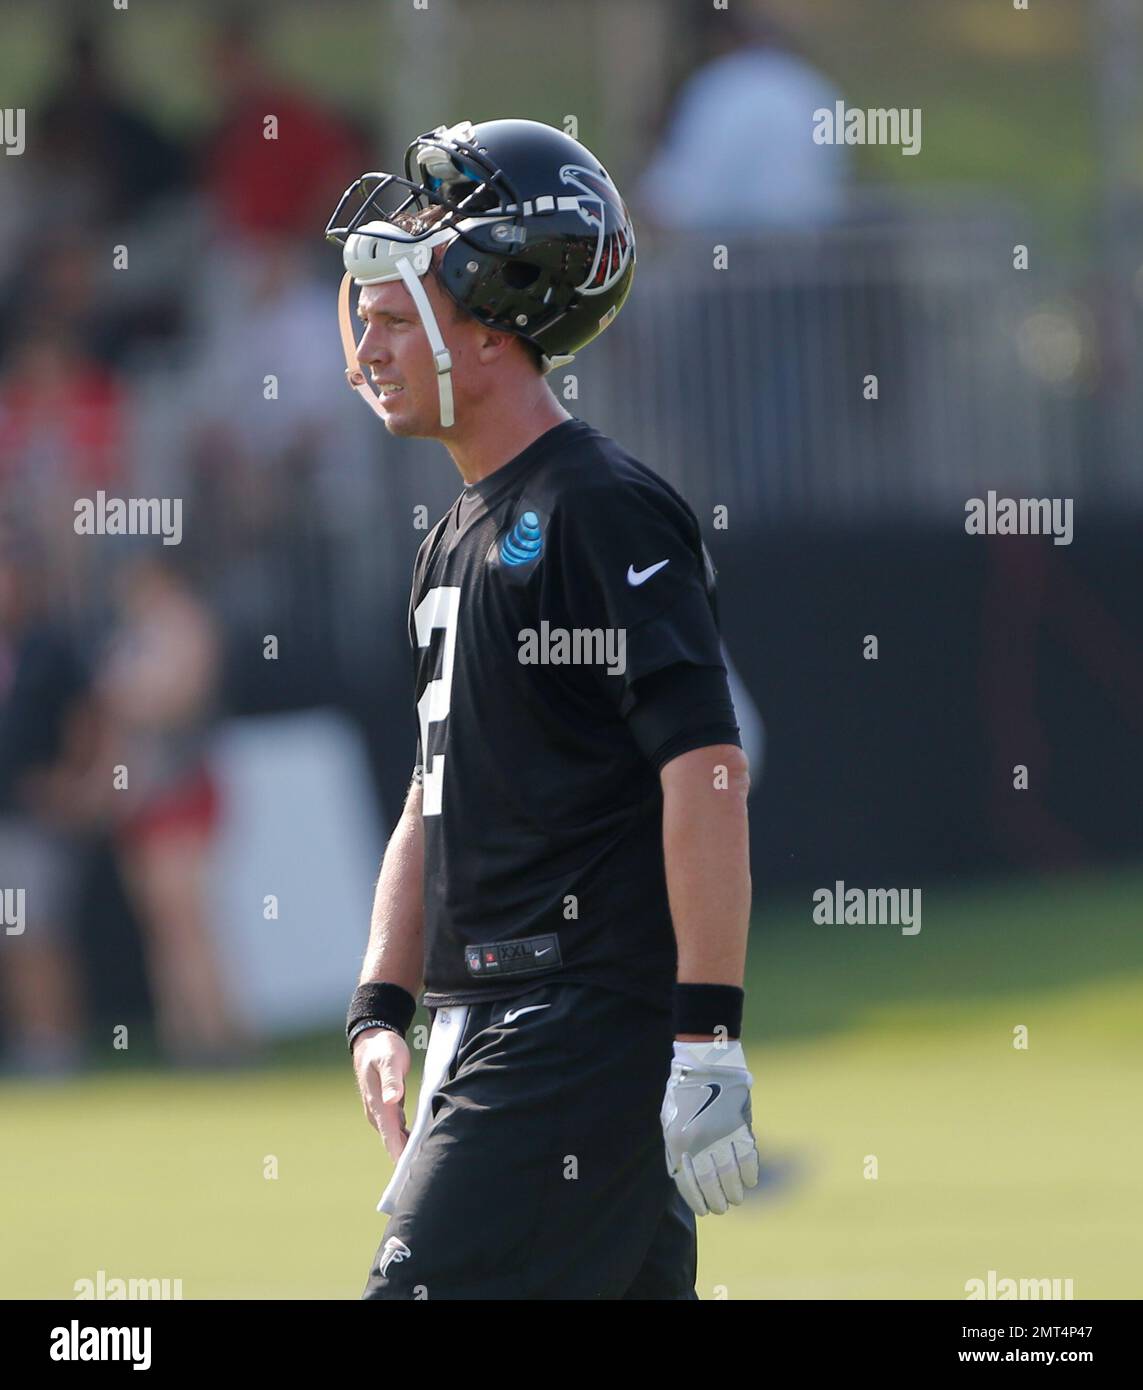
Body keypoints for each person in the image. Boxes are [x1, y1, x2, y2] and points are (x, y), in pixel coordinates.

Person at [327, 119, 758, 1300]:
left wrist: (707, 1031)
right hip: (503, 1019)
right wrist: (382, 1001)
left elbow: (704, 769)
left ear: (501, 314)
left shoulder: (599, 509)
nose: (369, 336)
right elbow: (433, 789)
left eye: (400, 309)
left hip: (575, 1022)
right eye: (366, 309)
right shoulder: (450, 537)